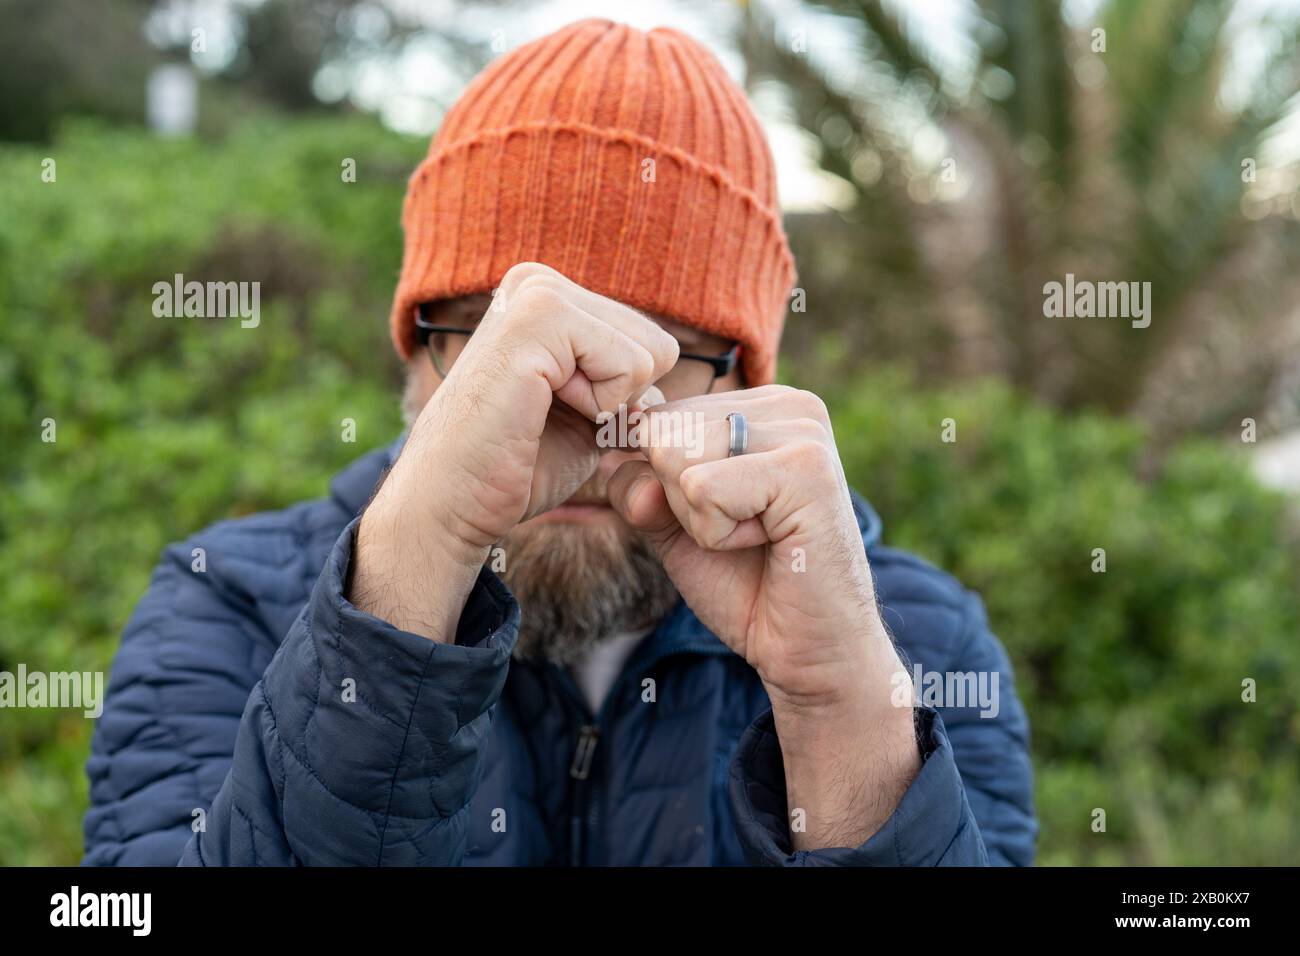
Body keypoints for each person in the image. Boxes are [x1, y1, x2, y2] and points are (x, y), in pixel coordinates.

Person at [83, 18, 1035, 866]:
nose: (573, 421)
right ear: (416, 359)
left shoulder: (916, 649)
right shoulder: (225, 612)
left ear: (749, 380)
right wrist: (404, 593)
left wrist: (838, 712)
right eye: (501, 347)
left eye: (650, 354)